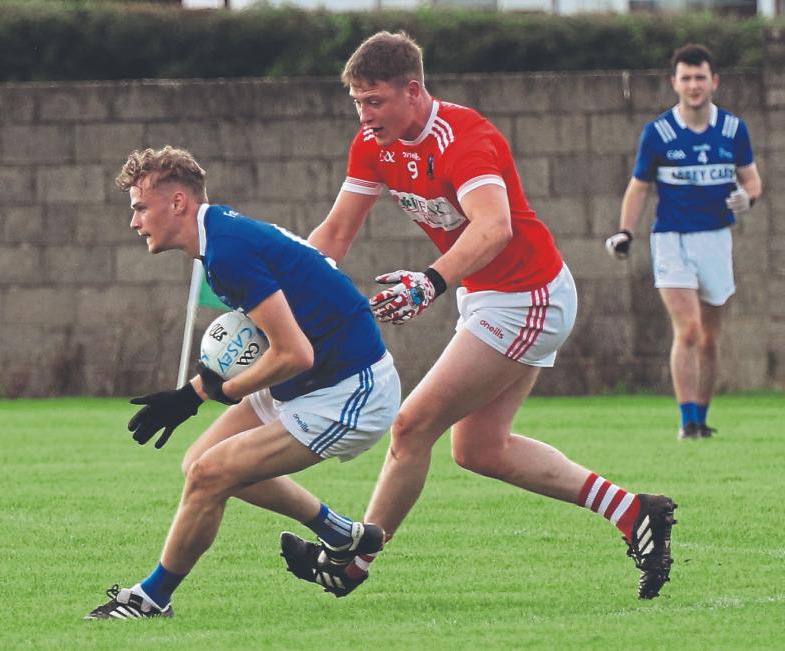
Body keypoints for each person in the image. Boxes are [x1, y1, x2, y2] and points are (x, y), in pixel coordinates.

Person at [279, 31, 677, 601]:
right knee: (479, 450)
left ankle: (351, 562)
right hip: (491, 296)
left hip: (528, 295)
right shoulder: (373, 142)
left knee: (411, 426)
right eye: (357, 103)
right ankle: (634, 511)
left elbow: (495, 228)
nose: (364, 115)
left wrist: (429, 281)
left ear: (413, 90)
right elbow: (338, 231)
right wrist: (290, 287)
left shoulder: (464, 138)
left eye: (375, 101)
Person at [86, 146, 400, 619]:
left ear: (177, 203)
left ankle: (151, 599)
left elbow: (294, 352)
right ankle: (342, 535)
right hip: (309, 381)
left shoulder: (227, 250)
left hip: (349, 390)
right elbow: (268, 343)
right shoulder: (221, 238)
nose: (134, 222)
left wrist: (212, 391)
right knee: (199, 465)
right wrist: (197, 390)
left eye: (139, 207)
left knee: (212, 475)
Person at [606, 44, 762, 440]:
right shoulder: (658, 133)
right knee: (688, 330)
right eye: (686, 78)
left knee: (709, 338)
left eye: (700, 77)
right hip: (671, 240)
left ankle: (702, 418)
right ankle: (686, 420)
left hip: (716, 239)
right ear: (675, 83)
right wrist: (626, 231)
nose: (694, 85)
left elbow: (752, 179)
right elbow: (638, 188)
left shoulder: (732, 129)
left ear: (714, 81)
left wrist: (749, 197)